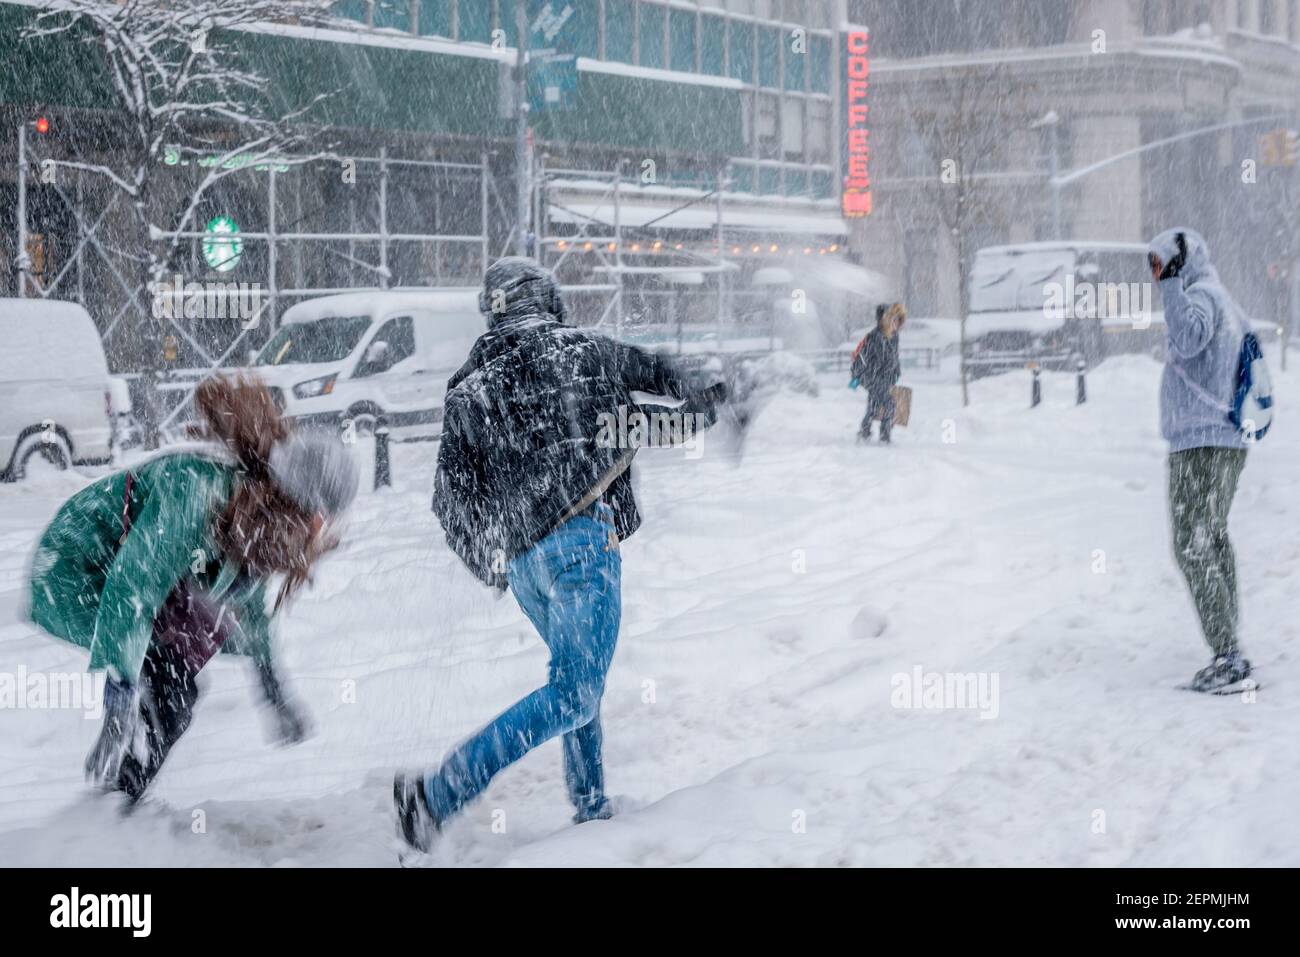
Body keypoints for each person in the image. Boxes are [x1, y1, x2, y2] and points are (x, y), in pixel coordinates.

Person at [395, 257, 726, 851]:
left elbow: (450, 499)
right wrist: (714, 401)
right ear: (548, 299)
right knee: (576, 692)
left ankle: (592, 809)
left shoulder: (470, 386)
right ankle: (436, 795)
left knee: (575, 682)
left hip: (525, 566)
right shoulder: (586, 351)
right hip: (582, 548)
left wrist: (492, 560)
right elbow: (671, 382)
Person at [25, 374, 359, 800]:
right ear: (299, 500)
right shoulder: (199, 490)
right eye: (323, 514)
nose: (323, 527)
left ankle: (119, 798)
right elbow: (134, 587)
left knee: (188, 664)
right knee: (173, 691)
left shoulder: (260, 521)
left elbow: (250, 608)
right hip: (73, 569)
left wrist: (273, 688)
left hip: (133, 580)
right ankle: (112, 809)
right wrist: (118, 698)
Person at [1149, 229, 1252, 693]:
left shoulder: (1202, 298)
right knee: (1212, 537)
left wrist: (1171, 285)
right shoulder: (1223, 299)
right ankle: (1230, 643)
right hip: (1223, 439)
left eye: (1160, 265)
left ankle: (1228, 655)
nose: (1155, 275)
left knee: (1191, 542)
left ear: (1179, 263)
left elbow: (1189, 340)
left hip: (1200, 443)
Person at [851, 302, 906, 443]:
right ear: (882, 319)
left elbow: (894, 356)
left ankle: (864, 432)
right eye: (891, 318)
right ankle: (884, 436)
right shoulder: (874, 337)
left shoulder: (894, 336)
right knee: (889, 404)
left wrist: (896, 372)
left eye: (895, 319)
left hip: (883, 377)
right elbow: (867, 358)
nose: (894, 322)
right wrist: (861, 377)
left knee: (874, 405)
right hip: (871, 376)